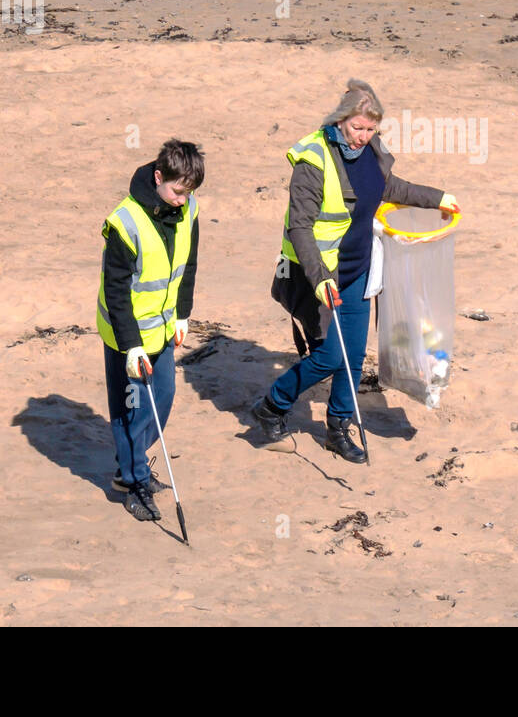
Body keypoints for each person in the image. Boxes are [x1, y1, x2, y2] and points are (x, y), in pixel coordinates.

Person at [251, 80, 458, 463]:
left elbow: (388, 186)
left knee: (354, 356)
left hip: (359, 270)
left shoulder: (372, 151)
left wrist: (437, 198)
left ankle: (337, 427)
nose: (363, 137)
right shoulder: (314, 161)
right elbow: (300, 228)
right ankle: (272, 406)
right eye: (357, 128)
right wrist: (321, 279)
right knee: (330, 356)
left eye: (370, 130)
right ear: (341, 120)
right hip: (318, 274)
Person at [95, 139, 203, 521]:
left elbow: (187, 266)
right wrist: (131, 347)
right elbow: (116, 291)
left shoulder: (188, 209)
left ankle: (133, 462)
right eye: (177, 190)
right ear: (159, 177)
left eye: (188, 192)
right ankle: (132, 481)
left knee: (163, 396)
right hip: (127, 335)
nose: (182, 199)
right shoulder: (124, 222)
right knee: (132, 408)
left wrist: (183, 314)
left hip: (162, 328)